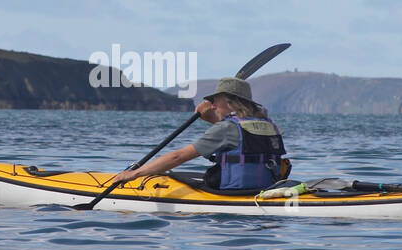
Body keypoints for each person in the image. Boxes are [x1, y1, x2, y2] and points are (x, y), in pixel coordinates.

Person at [108, 77, 289, 191]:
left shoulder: (226, 129)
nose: (213, 105)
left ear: (230, 102)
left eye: (215, 100)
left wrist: (135, 174)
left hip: (233, 192)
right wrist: (207, 116)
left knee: (174, 174)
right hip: (264, 187)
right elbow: (238, 139)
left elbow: (177, 157)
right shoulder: (267, 124)